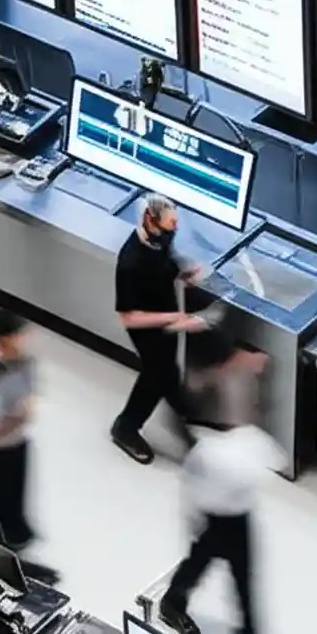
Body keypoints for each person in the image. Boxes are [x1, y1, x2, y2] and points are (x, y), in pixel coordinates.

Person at [158, 424, 283, 634]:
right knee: (196, 566)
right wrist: (193, 521)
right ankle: (172, 603)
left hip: (239, 518)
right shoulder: (207, 455)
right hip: (212, 519)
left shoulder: (252, 441)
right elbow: (190, 488)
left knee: (244, 578)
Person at [110, 195, 212, 463]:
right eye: (168, 227)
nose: (172, 233)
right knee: (158, 375)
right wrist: (174, 319)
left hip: (165, 314)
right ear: (149, 222)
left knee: (165, 373)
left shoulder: (159, 239)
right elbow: (129, 317)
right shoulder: (130, 262)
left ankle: (188, 428)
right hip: (147, 328)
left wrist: (182, 271)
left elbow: (168, 257)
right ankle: (127, 427)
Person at [0, 307, 37, 549]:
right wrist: (19, 416)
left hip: (17, 439)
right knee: (2, 492)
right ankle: (1, 536)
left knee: (17, 487)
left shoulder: (23, 363)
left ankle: (17, 527)